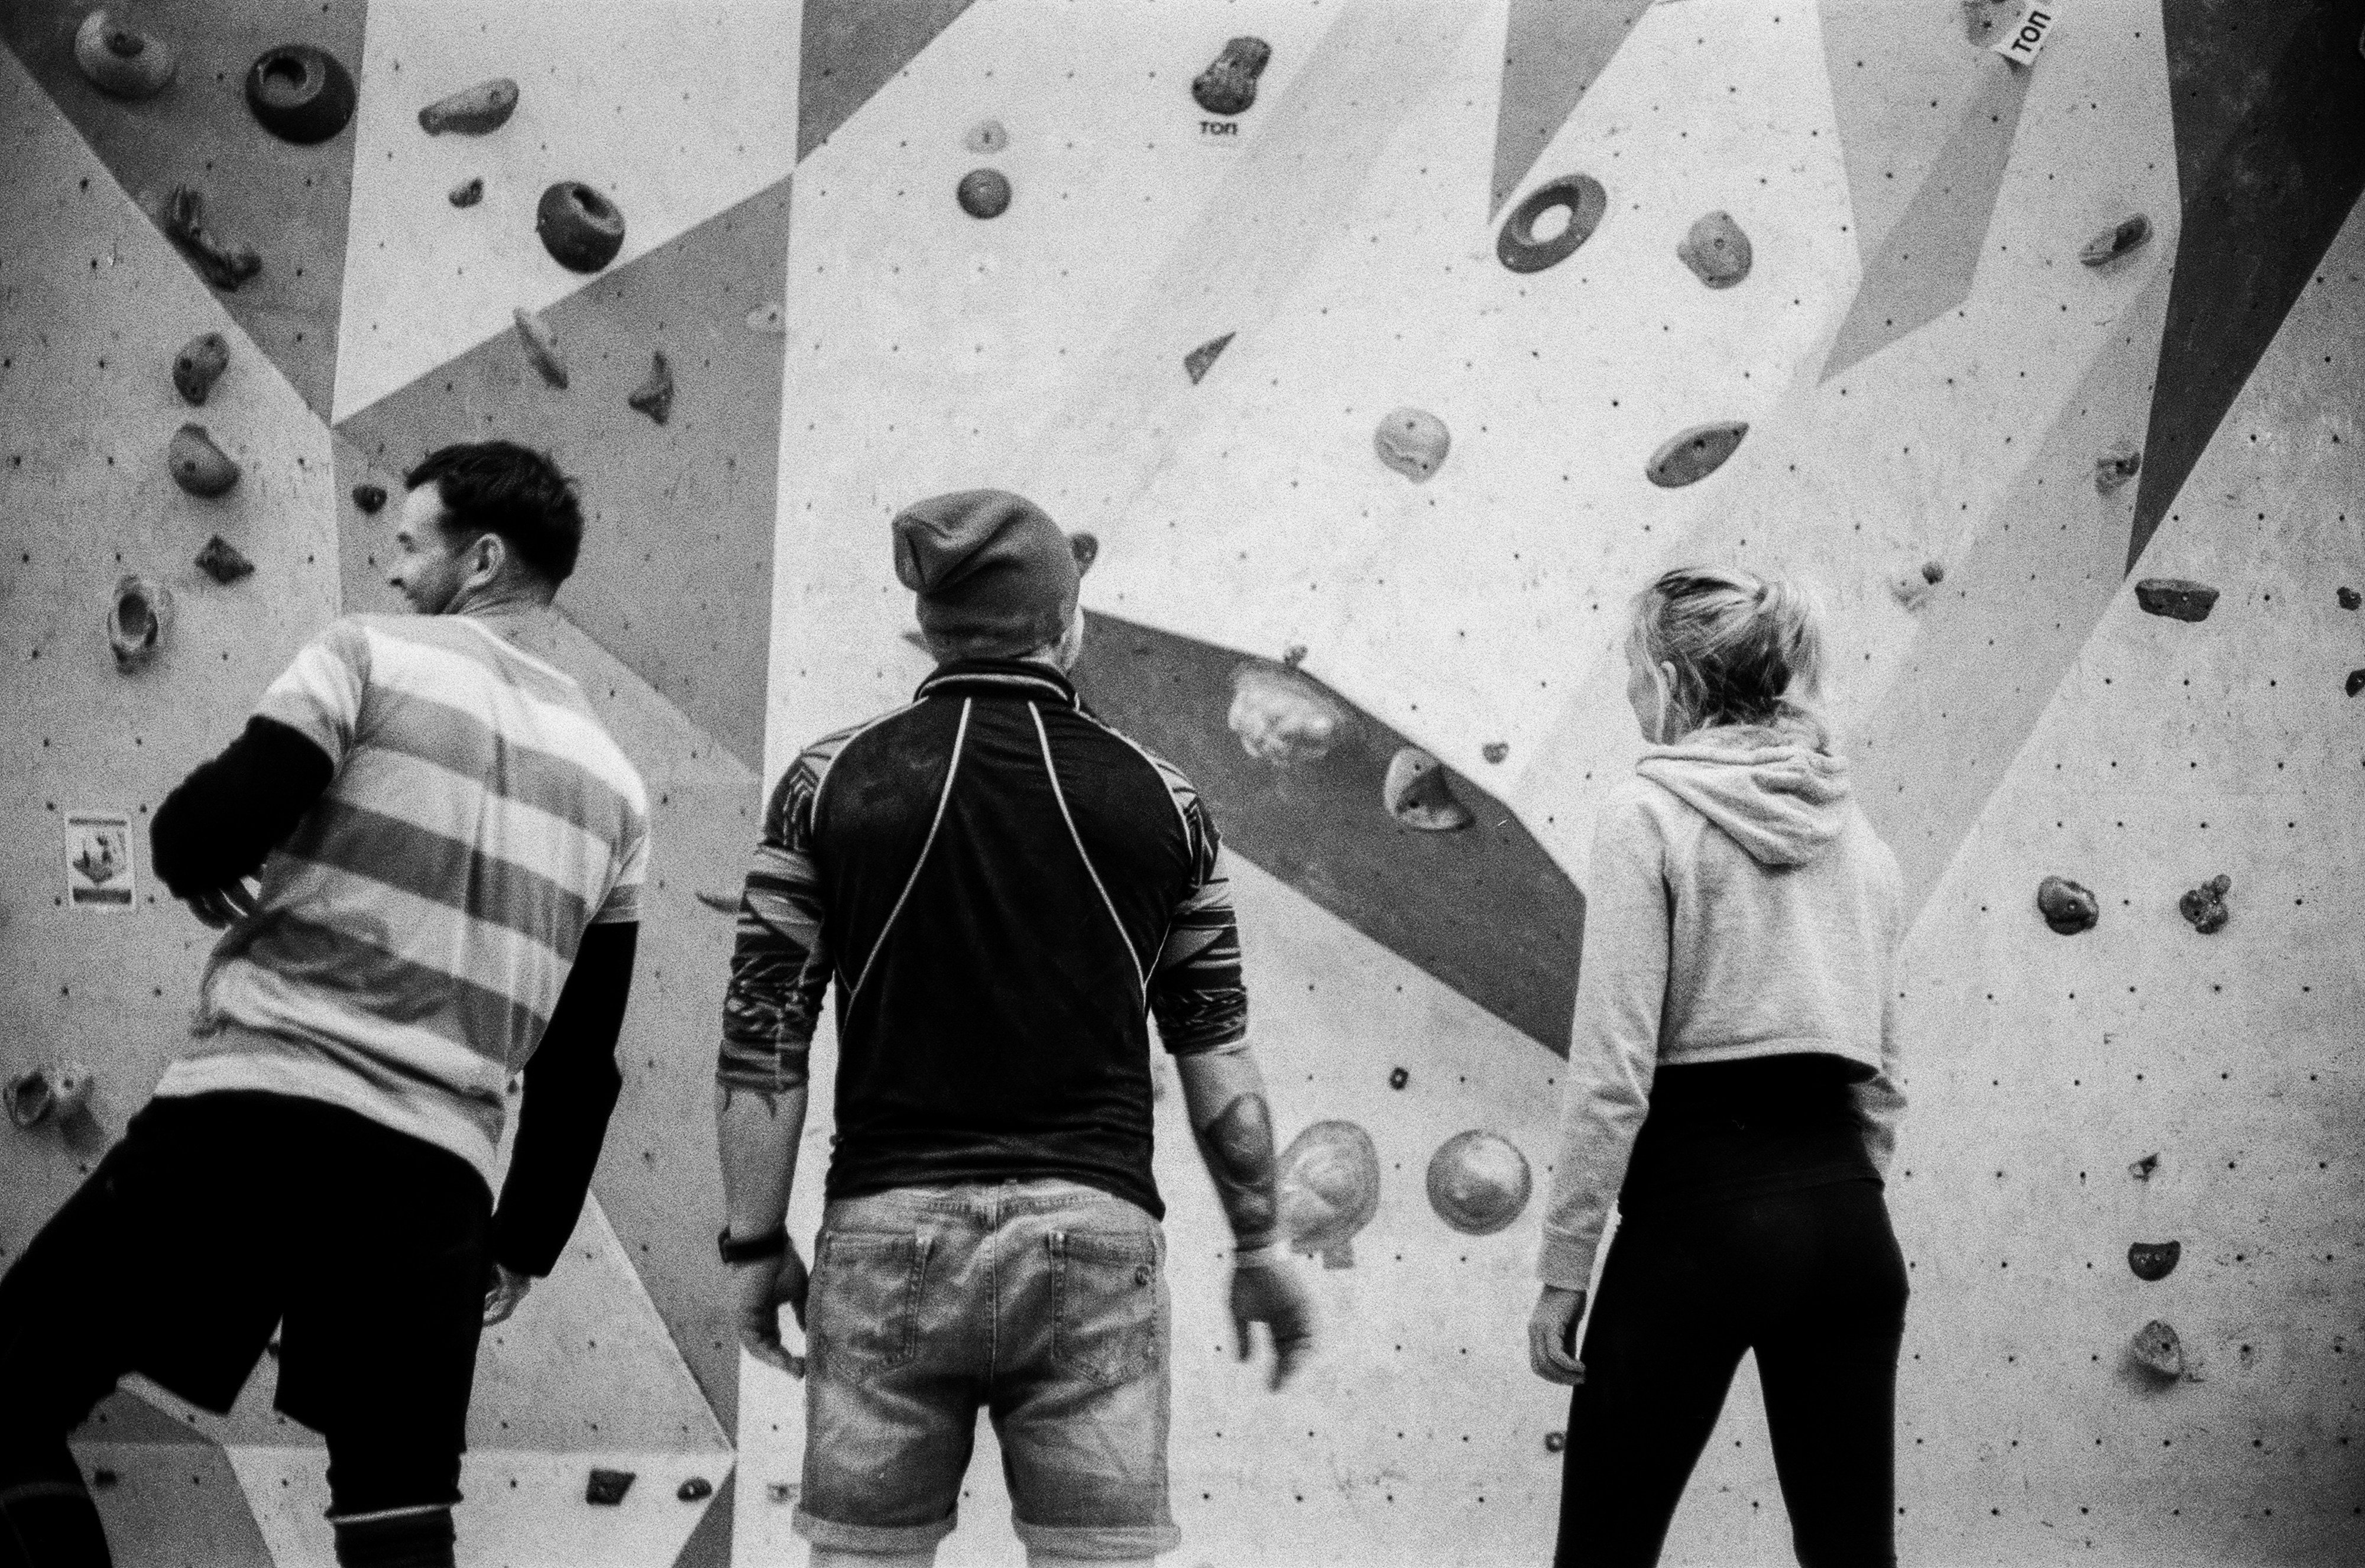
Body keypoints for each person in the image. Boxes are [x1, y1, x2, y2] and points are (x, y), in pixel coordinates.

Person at [0, 442, 649, 1568]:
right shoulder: (615, 785)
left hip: (248, 1122)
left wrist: (213, 853)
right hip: (434, 1180)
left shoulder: (365, 656)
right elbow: (583, 1059)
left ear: (482, 557)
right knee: (394, 1517)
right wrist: (524, 1240)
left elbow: (197, 837)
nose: (393, 573)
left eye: (409, 543)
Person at [713, 490, 1316, 1568]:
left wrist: (755, 1245)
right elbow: (1215, 1047)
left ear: (930, 627)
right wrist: (1261, 1240)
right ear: (1068, 623)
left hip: (886, 1235)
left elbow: (763, 1036)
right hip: (1095, 1241)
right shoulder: (1166, 802)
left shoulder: (825, 782)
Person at [1527, 566, 1910, 1568]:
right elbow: (1882, 1077)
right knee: (1853, 1558)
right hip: (1851, 1233)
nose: (1625, 692)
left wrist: (1566, 1270)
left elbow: (1612, 1074)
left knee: (1603, 1555)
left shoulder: (1646, 816)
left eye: (1627, 669)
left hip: (1702, 1225)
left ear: (1666, 676)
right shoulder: (1857, 837)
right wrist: (1841, 1195)